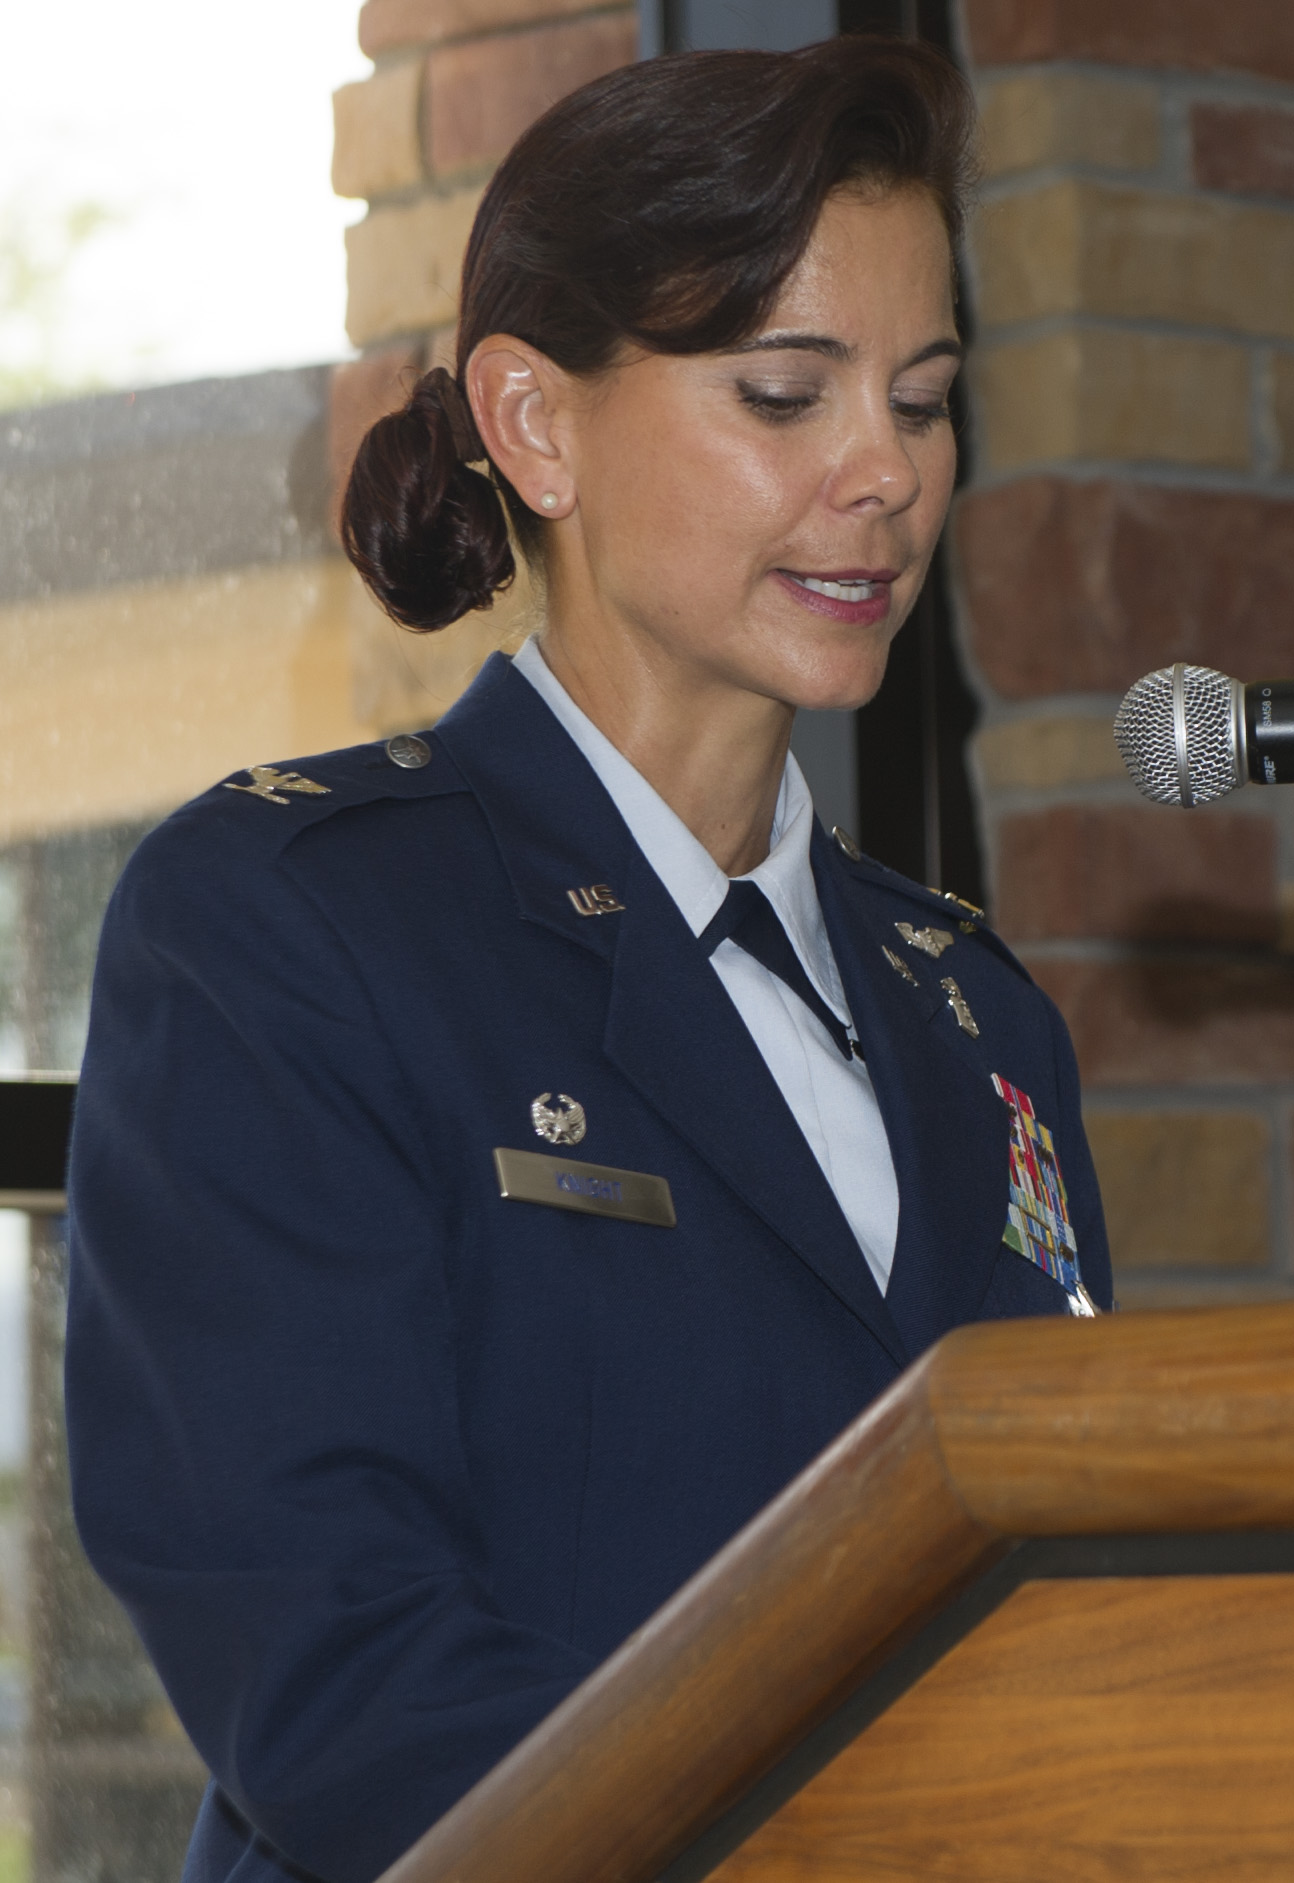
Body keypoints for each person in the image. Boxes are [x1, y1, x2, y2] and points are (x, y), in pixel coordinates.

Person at [63, 38, 1110, 1883]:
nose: (886, 476)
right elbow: (335, 1662)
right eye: (787, 395)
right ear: (536, 423)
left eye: (927, 402)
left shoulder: (978, 1015)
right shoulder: (288, 927)